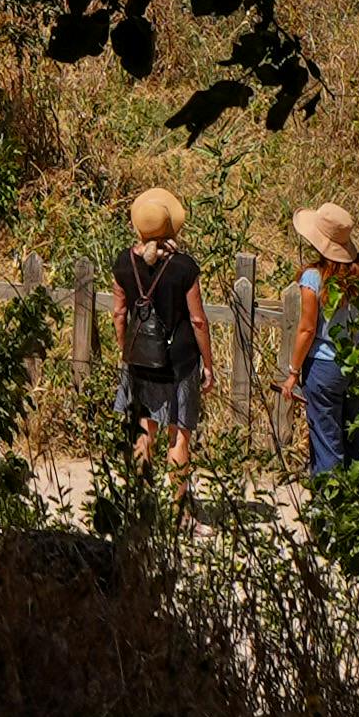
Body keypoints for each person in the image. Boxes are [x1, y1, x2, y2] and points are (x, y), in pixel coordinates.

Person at [113, 186, 213, 495]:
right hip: (179, 361)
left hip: (140, 360)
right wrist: (208, 364)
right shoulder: (184, 267)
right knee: (178, 434)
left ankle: (140, 504)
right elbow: (197, 320)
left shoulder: (122, 263)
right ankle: (179, 512)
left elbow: (119, 313)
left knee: (144, 428)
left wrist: (125, 352)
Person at [282, 203, 359, 479]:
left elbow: (306, 329)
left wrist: (293, 373)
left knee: (327, 442)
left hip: (325, 366)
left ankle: (329, 512)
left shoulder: (313, 278)